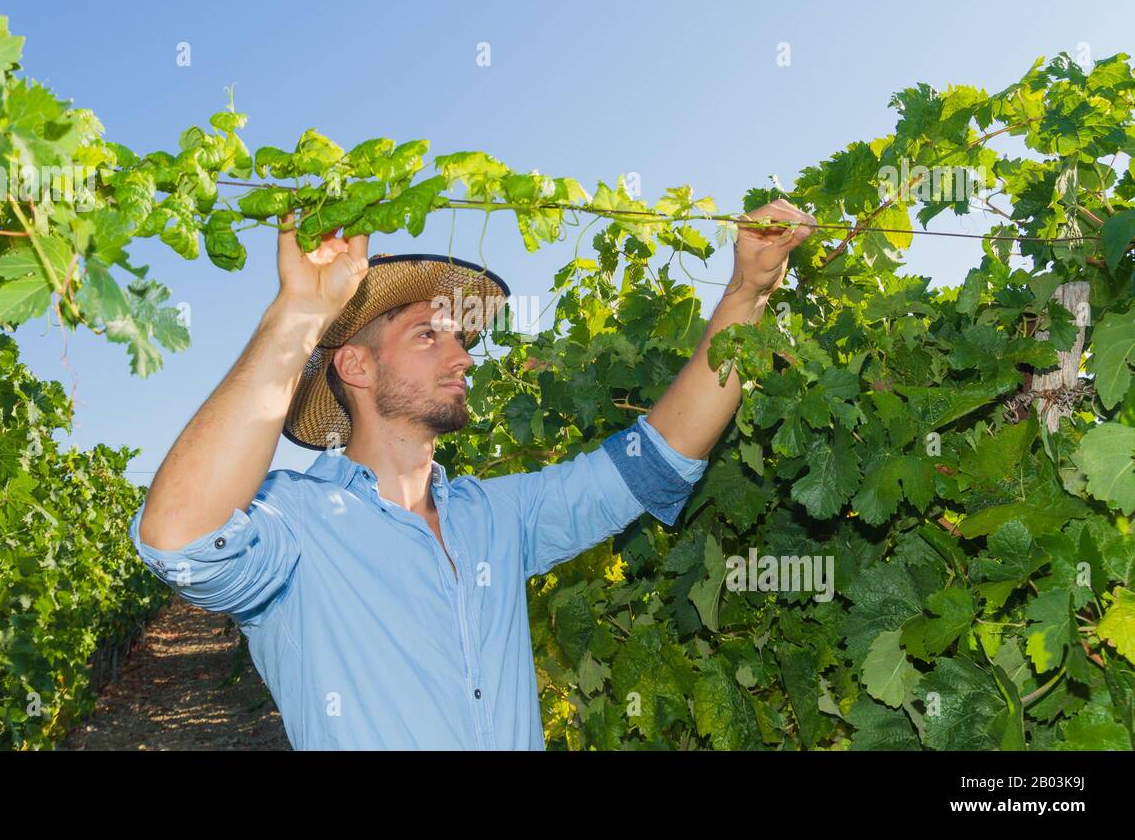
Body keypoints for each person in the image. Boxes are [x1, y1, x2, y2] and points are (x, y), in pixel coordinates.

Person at [131, 201, 815, 749]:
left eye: (461, 338)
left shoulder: (496, 516)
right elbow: (178, 536)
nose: (462, 357)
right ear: (356, 367)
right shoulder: (299, 524)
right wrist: (300, 316)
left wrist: (746, 295)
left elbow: (661, 453)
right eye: (429, 335)